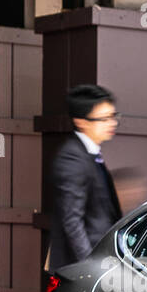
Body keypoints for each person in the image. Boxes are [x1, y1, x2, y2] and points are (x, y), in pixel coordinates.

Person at [48, 84, 122, 270]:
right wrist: (89, 266)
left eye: (113, 116)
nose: (112, 123)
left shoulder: (90, 154)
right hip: (82, 265)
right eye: (104, 119)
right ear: (81, 122)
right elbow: (72, 221)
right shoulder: (72, 158)